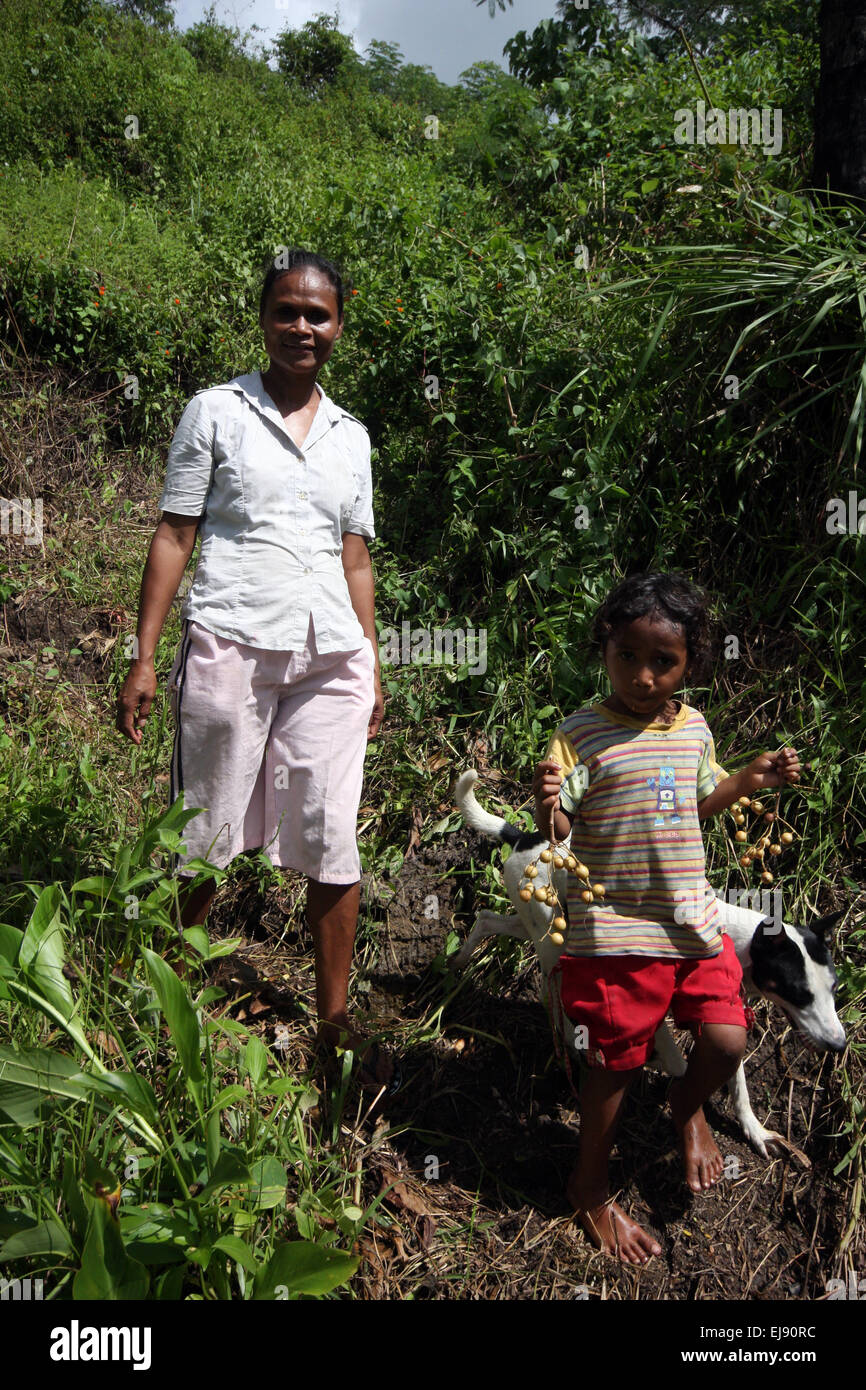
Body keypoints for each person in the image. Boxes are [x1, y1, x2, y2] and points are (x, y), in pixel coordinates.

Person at [116, 248, 398, 1093]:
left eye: (318, 314)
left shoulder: (352, 437)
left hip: (332, 657)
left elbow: (355, 560)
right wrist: (143, 653)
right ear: (264, 318)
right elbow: (175, 535)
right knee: (203, 829)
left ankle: (333, 1022)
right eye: (288, 311)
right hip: (232, 638)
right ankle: (167, 998)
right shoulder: (216, 411)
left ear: (339, 326)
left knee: (330, 833)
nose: (303, 327)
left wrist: (373, 658)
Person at [532, 572, 800, 1264]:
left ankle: (685, 1109)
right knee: (614, 1066)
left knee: (726, 1037)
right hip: (614, 930)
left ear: (690, 665)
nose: (643, 676)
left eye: (663, 662)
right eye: (628, 657)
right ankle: (588, 1186)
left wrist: (746, 779)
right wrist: (549, 806)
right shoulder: (580, 734)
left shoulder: (694, 729)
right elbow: (562, 825)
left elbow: (699, 800)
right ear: (606, 651)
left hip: (689, 922)